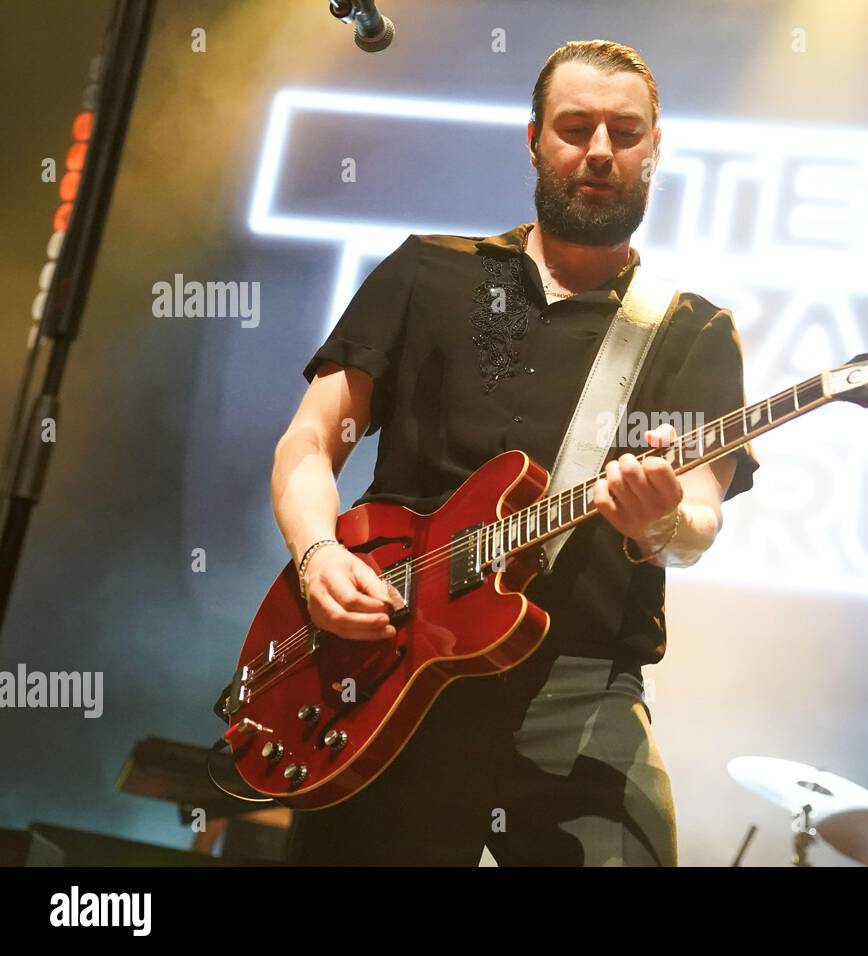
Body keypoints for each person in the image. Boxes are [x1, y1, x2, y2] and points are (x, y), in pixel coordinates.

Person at [268, 39, 760, 866]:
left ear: (656, 150)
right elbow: (311, 441)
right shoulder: (426, 274)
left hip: (579, 689)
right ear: (532, 138)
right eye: (575, 127)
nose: (600, 150)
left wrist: (662, 522)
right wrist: (317, 554)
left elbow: (700, 519)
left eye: (625, 131)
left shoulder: (692, 331)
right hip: (392, 667)